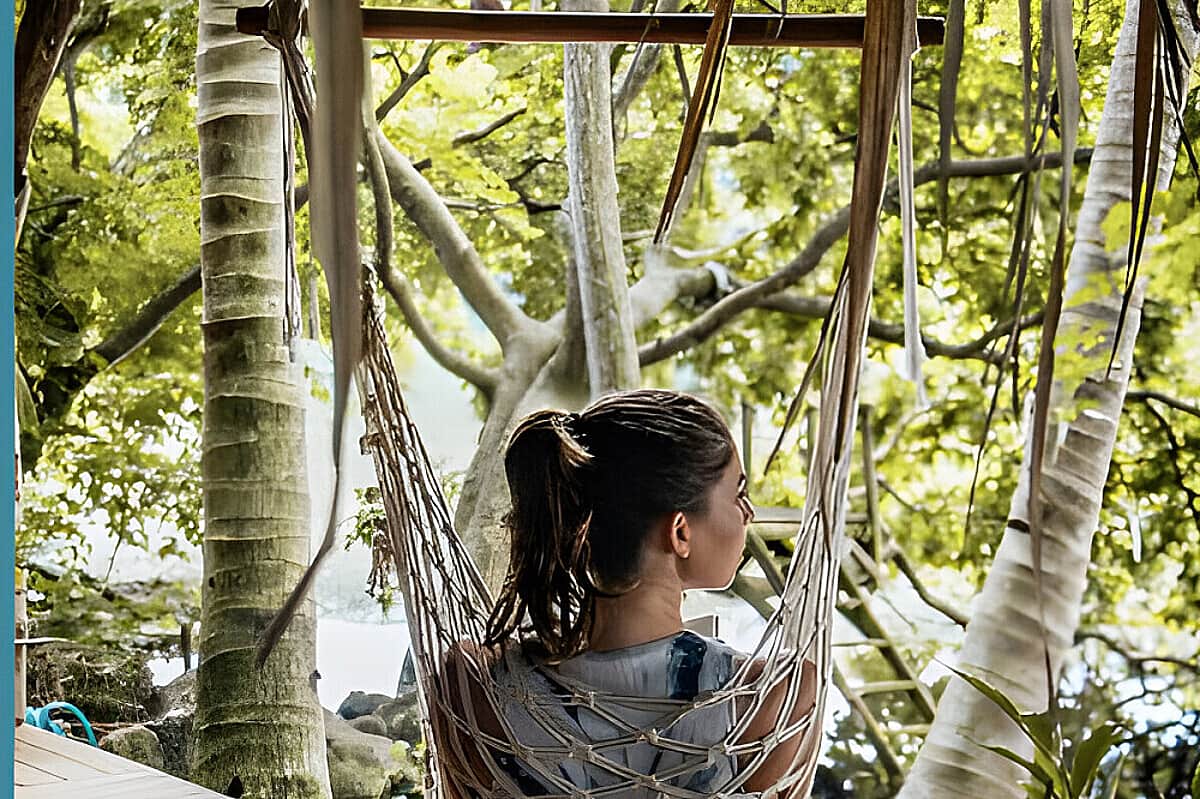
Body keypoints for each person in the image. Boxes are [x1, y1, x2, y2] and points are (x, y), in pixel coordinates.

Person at [433, 389, 817, 798]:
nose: (749, 513)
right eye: (738, 494)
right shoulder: (773, 701)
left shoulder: (472, 685)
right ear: (681, 532)